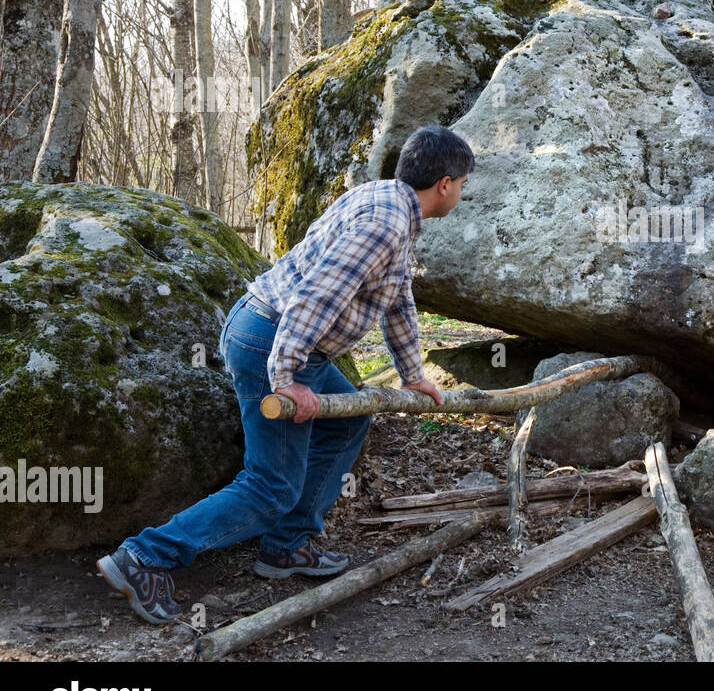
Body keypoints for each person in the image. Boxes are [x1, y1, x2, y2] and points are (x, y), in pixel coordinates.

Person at [97, 125, 472, 625]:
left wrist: (412, 375)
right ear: (444, 183)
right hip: (270, 342)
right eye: (463, 183)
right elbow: (315, 297)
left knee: (347, 420)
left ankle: (286, 546)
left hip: (292, 344)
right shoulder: (383, 224)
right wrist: (286, 376)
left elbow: (398, 296)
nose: (462, 193)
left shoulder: (391, 204)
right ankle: (144, 556)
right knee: (271, 486)